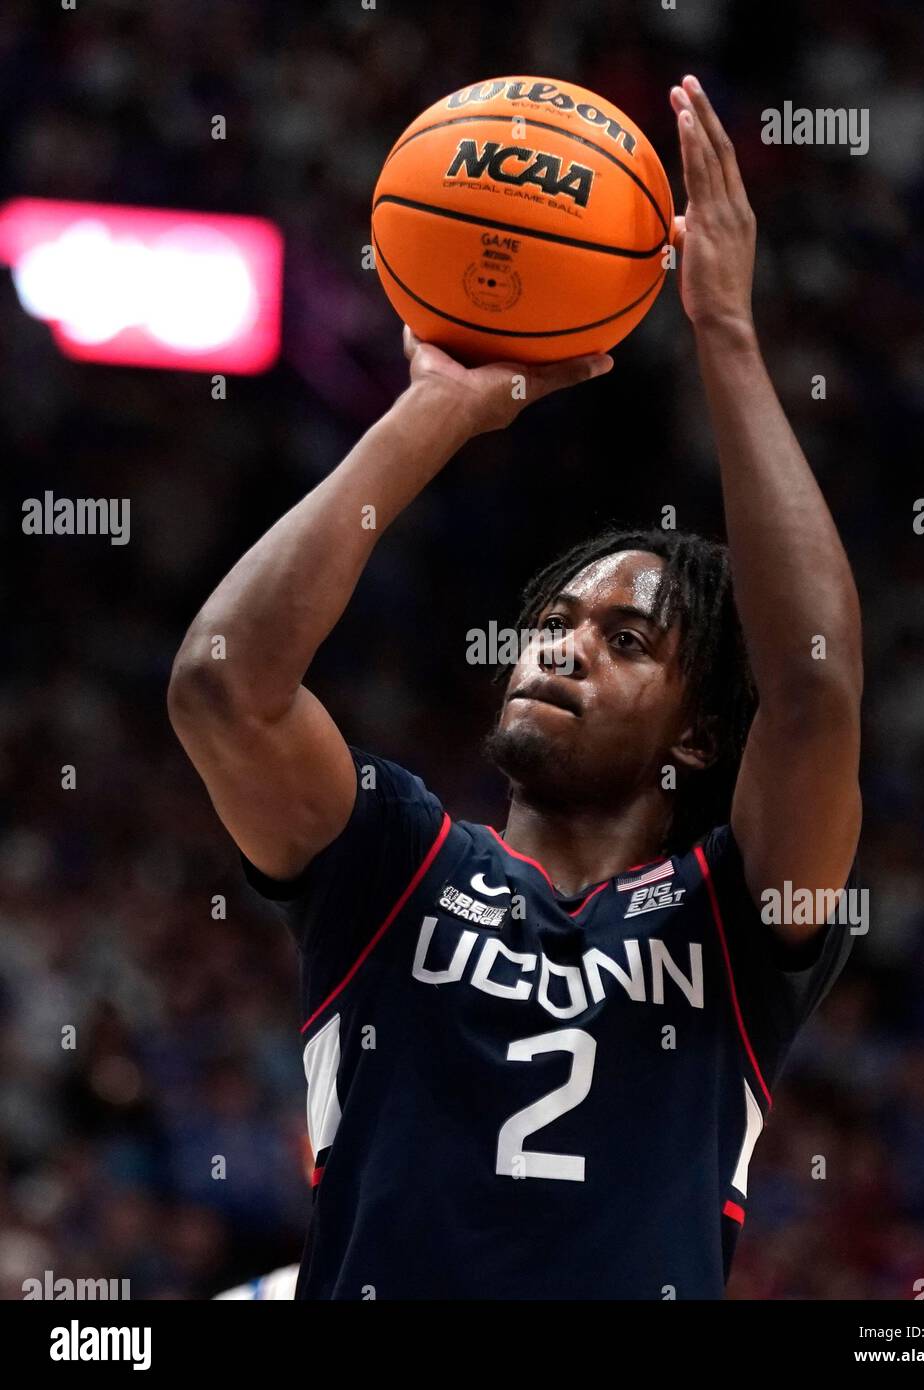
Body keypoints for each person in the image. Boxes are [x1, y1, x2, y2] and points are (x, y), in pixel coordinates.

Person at [168, 76, 862, 1299]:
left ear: (698, 735)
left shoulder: (739, 923)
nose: (560, 646)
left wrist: (728, 338)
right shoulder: (394, 863)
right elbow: (223, 688)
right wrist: (432, 409)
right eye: (550, 622)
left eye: (627, 639)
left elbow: (813, 695)